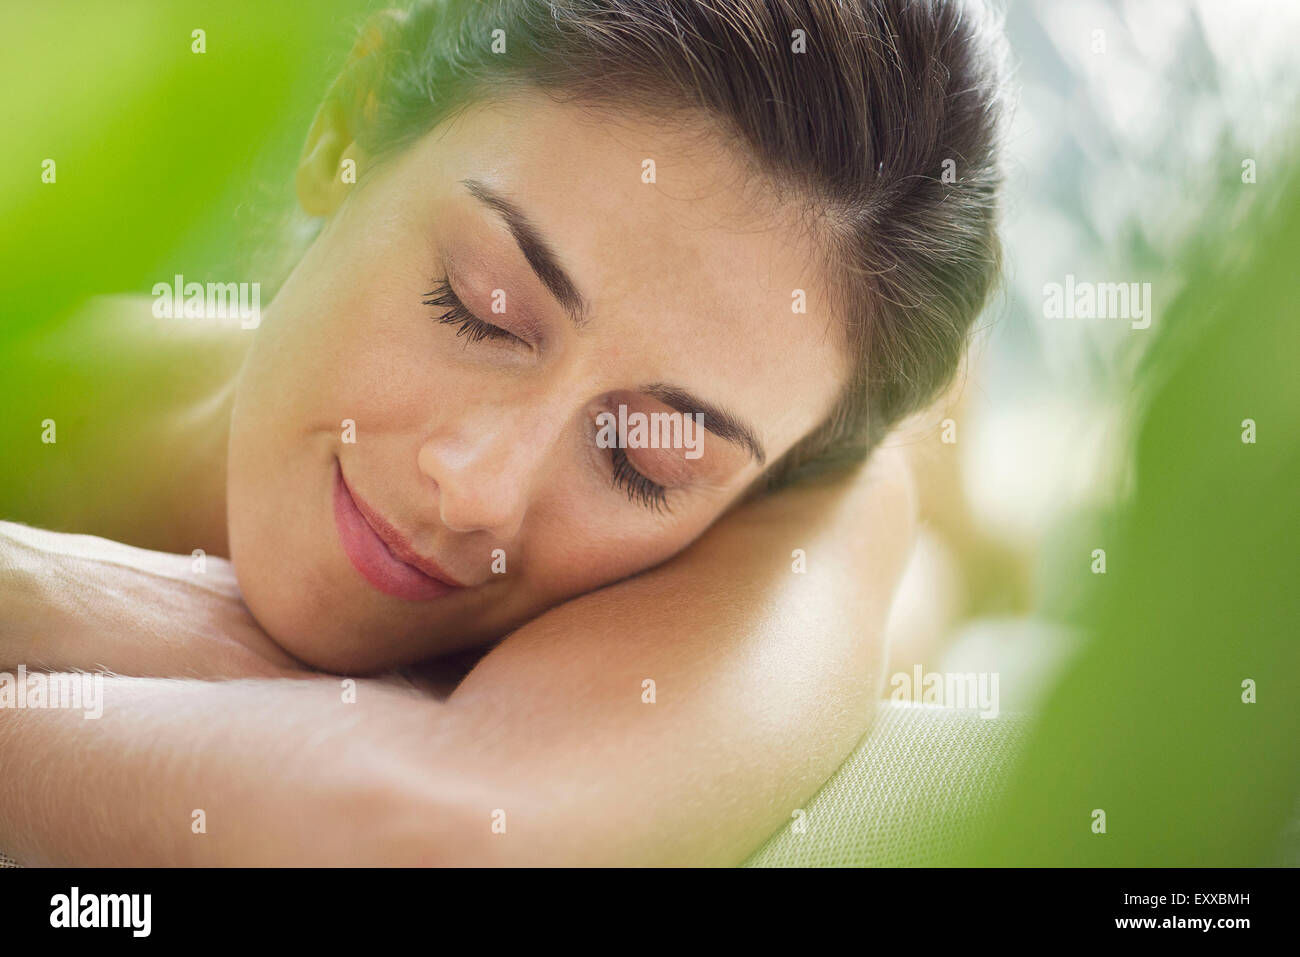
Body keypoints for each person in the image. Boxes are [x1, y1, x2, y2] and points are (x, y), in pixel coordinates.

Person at [0, 0, 1007, 865]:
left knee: (929, 573)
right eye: (476, 307)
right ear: (343, 132)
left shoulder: (824, 483)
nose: (475, 486)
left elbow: (437, 835)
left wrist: (45, 596)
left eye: (644, 460)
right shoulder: (40, 369)